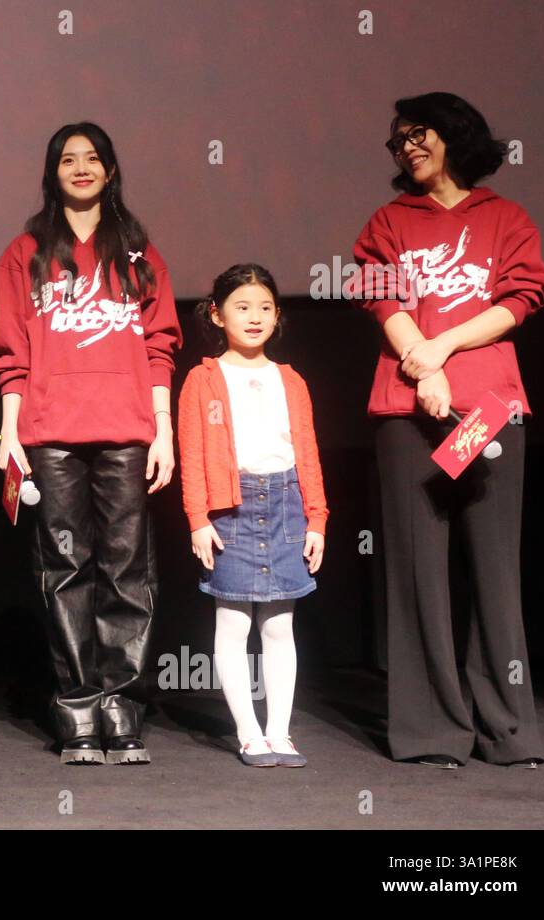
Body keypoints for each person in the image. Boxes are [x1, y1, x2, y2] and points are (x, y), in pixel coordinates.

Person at [353, 92, 544, 769]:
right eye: (399, 137)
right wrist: (421, 366)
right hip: (409, 414)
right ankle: (434, 731)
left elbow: (522, 297)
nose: (408, 145)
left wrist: (443, 350)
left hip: (491, 408)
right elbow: (382, 296)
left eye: (420, 132)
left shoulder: (505, 217)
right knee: (417, 573)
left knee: (494, 569)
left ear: (456, 136)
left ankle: (507, 730)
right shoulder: (388, 221)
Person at [0, 122, 182, 765]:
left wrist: (164, 427)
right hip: (51, 434)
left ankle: (122, 708)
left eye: (92, 158)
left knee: (128, 571)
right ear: (52, 172)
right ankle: (77, 712)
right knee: (64, 571)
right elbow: (11, 354)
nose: (81, 167)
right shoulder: (26, 253)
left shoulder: (137, 251)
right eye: (68, 159)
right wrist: (9, 433)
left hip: (128, 429)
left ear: (109, 170)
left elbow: (160, 345)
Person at [178, 264, 327, 767]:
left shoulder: (291, 380)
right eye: (242, 307)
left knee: (280, 625)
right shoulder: (202, 380)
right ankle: (248, 733)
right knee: (233, 620)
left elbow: (307, 451)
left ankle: (280, 732)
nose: (255, 317)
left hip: (285, 503)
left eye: (265, 307)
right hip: (232, 508)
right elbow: (193, 453)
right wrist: (198, 518)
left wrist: (317, 519)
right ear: (217, 314)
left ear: (278, 315)